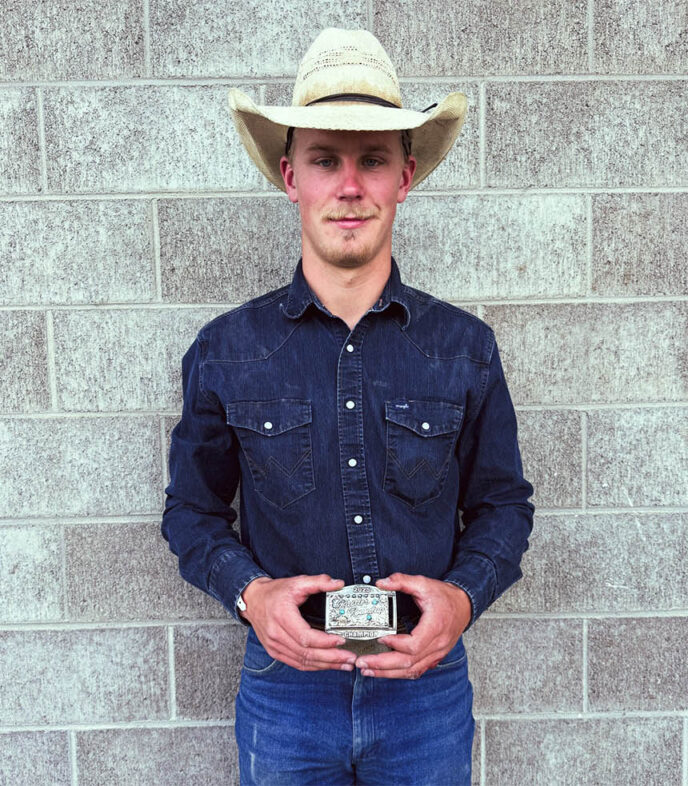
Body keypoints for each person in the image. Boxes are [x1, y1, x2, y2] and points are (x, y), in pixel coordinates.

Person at [160, 28, 533, 784]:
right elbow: (190, 514)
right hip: (285, 697)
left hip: (423, 698)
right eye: (326, 160)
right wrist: (250, 594)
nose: (350, 186)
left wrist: (459, 603)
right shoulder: (228, 349)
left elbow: (504, 506)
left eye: (373, 161)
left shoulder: (464, 348)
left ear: (407, 175)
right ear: (291, 176)